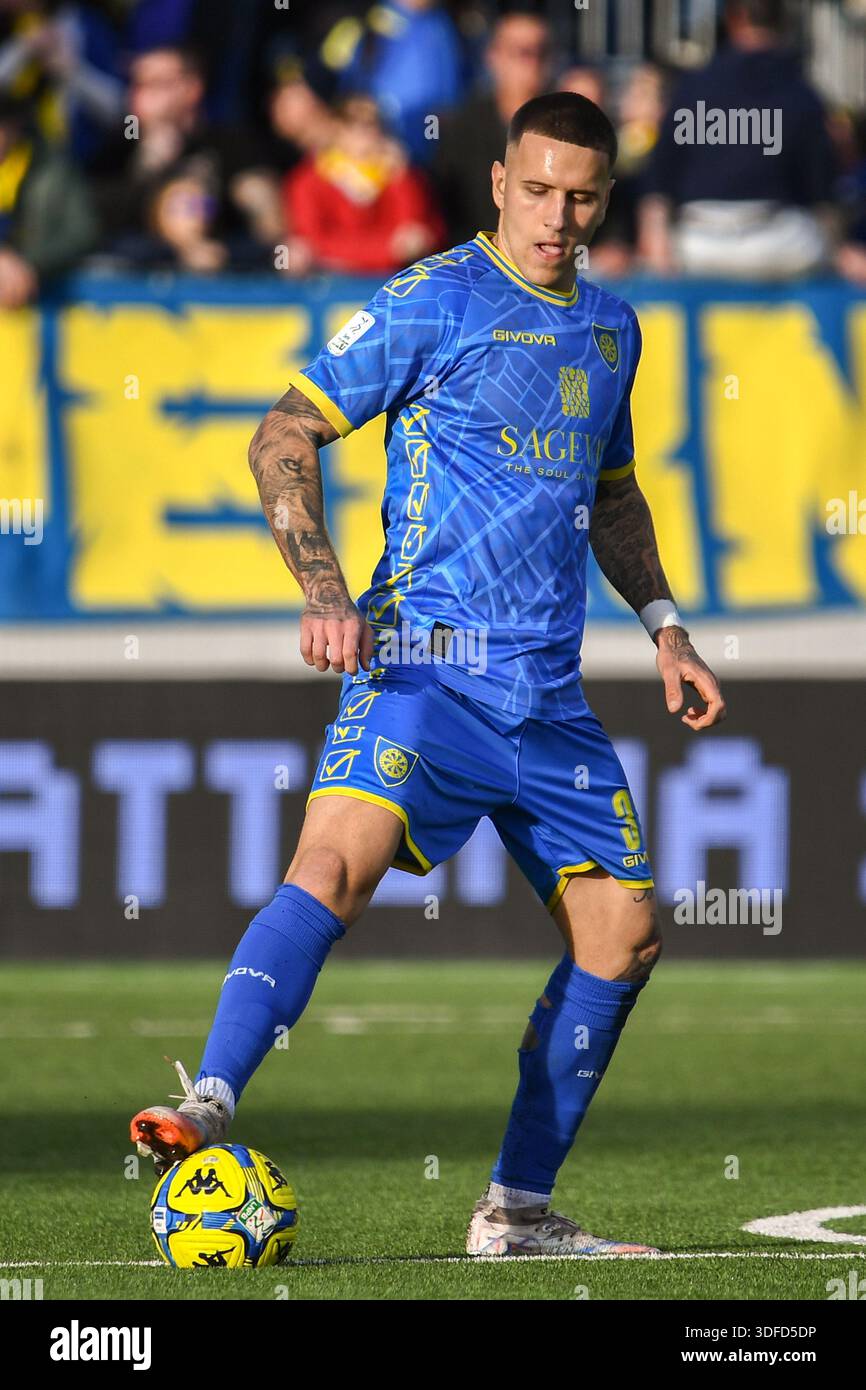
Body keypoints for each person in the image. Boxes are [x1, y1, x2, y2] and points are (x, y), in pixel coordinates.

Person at [130, 90, 726, 1258]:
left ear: (606, 200)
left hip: (548, 702)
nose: (556, 216)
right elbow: (281, 435)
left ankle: (514, 1214)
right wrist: (323, 588)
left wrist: (664, 625)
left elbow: (611, 494)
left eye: (580, 197)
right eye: (536, 189)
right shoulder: (430, 300)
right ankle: (208, 1099)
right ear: (498, 182)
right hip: (424, 668)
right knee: (331, 866)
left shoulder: (611, 329)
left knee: (622, 939)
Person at [638, 0, 837, 280]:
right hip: (778, 245)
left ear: (733, 19)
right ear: (784, 23)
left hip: (698, 243)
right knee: (817, 242)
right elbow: (823, 195)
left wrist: (657, 250)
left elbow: (658, 184)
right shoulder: (800, 92)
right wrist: (838, 251)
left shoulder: (693, 86)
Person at [283, 94, 445, 276]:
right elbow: (311, 240)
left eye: (374, 123)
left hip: (392, 277)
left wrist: (400, 176)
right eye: (354, 123)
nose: (367, 133)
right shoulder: (310, 179)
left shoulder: (401, 175)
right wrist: (384, 251)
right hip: (331, 278)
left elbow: (415, 231)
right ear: (336, 128)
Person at [432, 8, 552, 244]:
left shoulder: (569, 126)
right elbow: (445, 209)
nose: (533, 62)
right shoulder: (461, 127)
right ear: (493, 57)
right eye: (522, 52)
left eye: (543, 52)